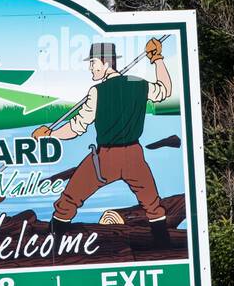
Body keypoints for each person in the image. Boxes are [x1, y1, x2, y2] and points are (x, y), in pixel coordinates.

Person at [31, 38, 172, 248]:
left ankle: (52, 246)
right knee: (152, 204)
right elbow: (164, 90)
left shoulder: (97, 92)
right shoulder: (138, 84)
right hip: (134, 155)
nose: (90, 68)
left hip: (105, 159)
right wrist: (158, 59)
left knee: (69, 199)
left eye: (93, 63)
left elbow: (77, 127)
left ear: (106, 63)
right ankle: (164, 246)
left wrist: (51, 134)